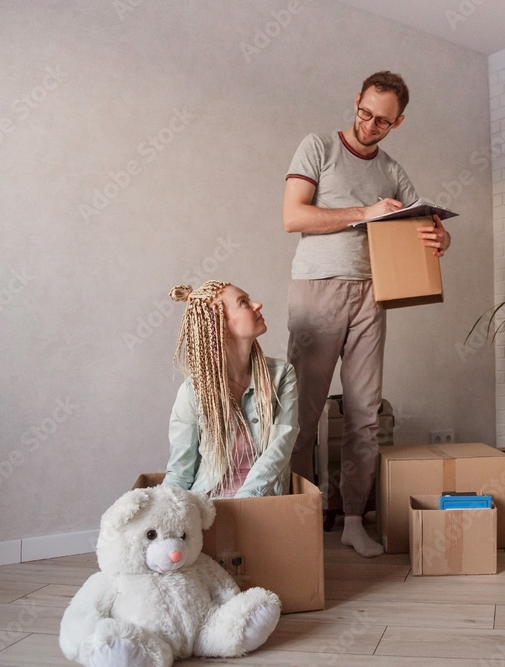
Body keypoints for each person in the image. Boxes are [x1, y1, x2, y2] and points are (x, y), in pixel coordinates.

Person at [283, 71, 451, 557]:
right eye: (365, 113)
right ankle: (297, 519)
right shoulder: (318, 147)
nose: (370, 125)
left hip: (373, 295)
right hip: (318, 288)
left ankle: (354, 519)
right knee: (303, 413)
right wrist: (364, 213)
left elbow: (425, 223)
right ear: (356, 100)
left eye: (383, 121)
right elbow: (293, 216)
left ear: (398, 122)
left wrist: (441, 238)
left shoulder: (394, 171)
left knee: (363, 415)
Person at [163, 280, 299, 498]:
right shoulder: (193, 391)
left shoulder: (282, 375)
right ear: (219, 325)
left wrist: (243, 506)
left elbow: (280, 447)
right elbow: (180, 472)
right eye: (244, 302)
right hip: (208, 505)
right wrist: (161, 513)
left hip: (263, 503)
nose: (258, 305)